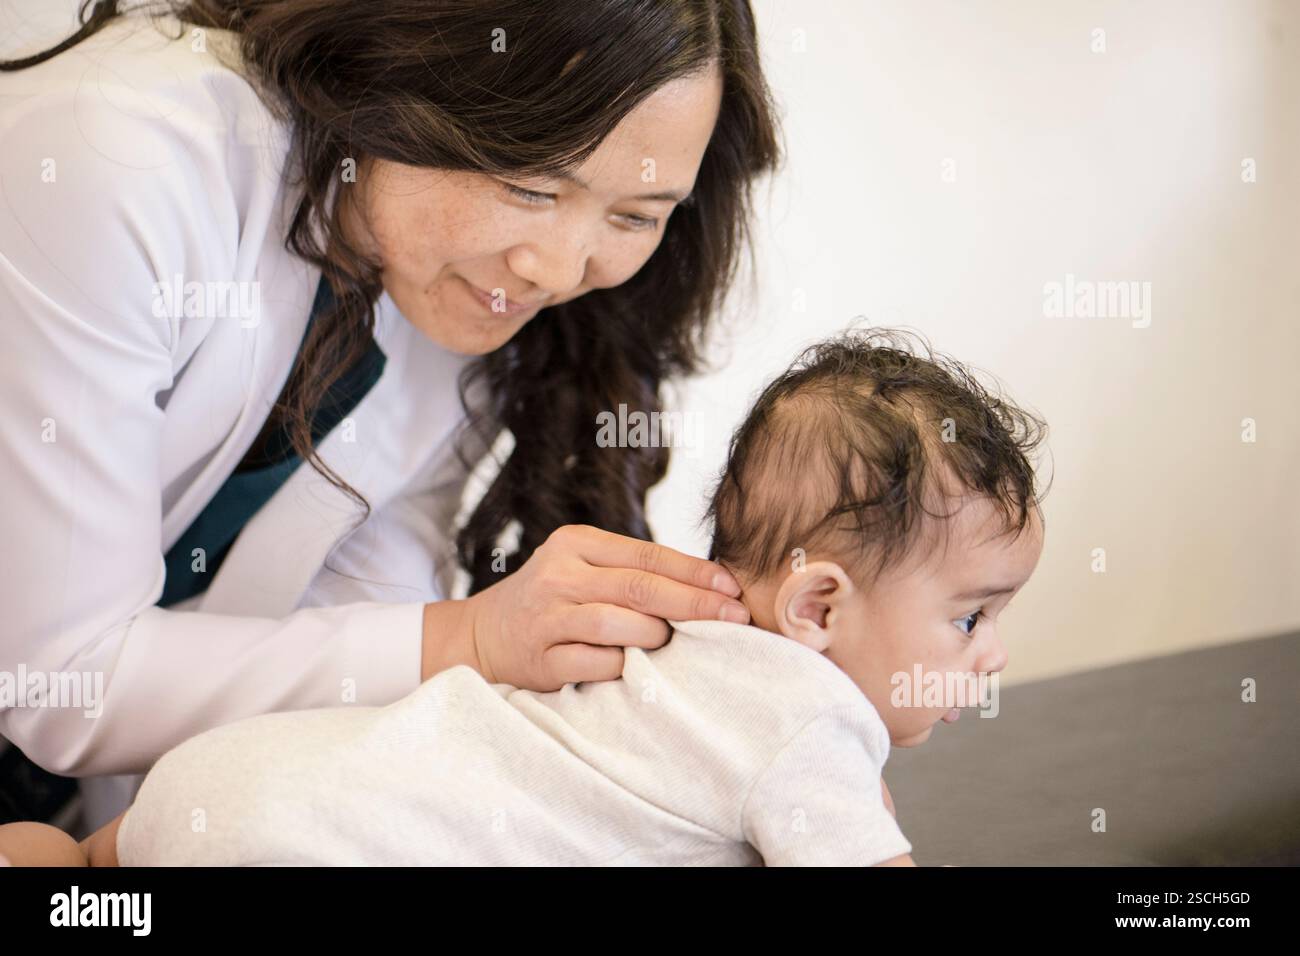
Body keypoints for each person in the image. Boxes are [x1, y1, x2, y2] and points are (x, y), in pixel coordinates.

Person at [0, 0, 780, 831]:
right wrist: (469, 641)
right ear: (399, 65)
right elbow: (61, 679)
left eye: (635, 216)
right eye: (529, 184)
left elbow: (366, 598)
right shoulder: (120, 157)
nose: (555, 269)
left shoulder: (447, 279)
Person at [0, 328, 1048, 866]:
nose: (992, 654)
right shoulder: (804, 716)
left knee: (83, 872)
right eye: (971, 615)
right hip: (323, 849)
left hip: (239, 773)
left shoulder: (664, 624)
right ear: (815, 608)